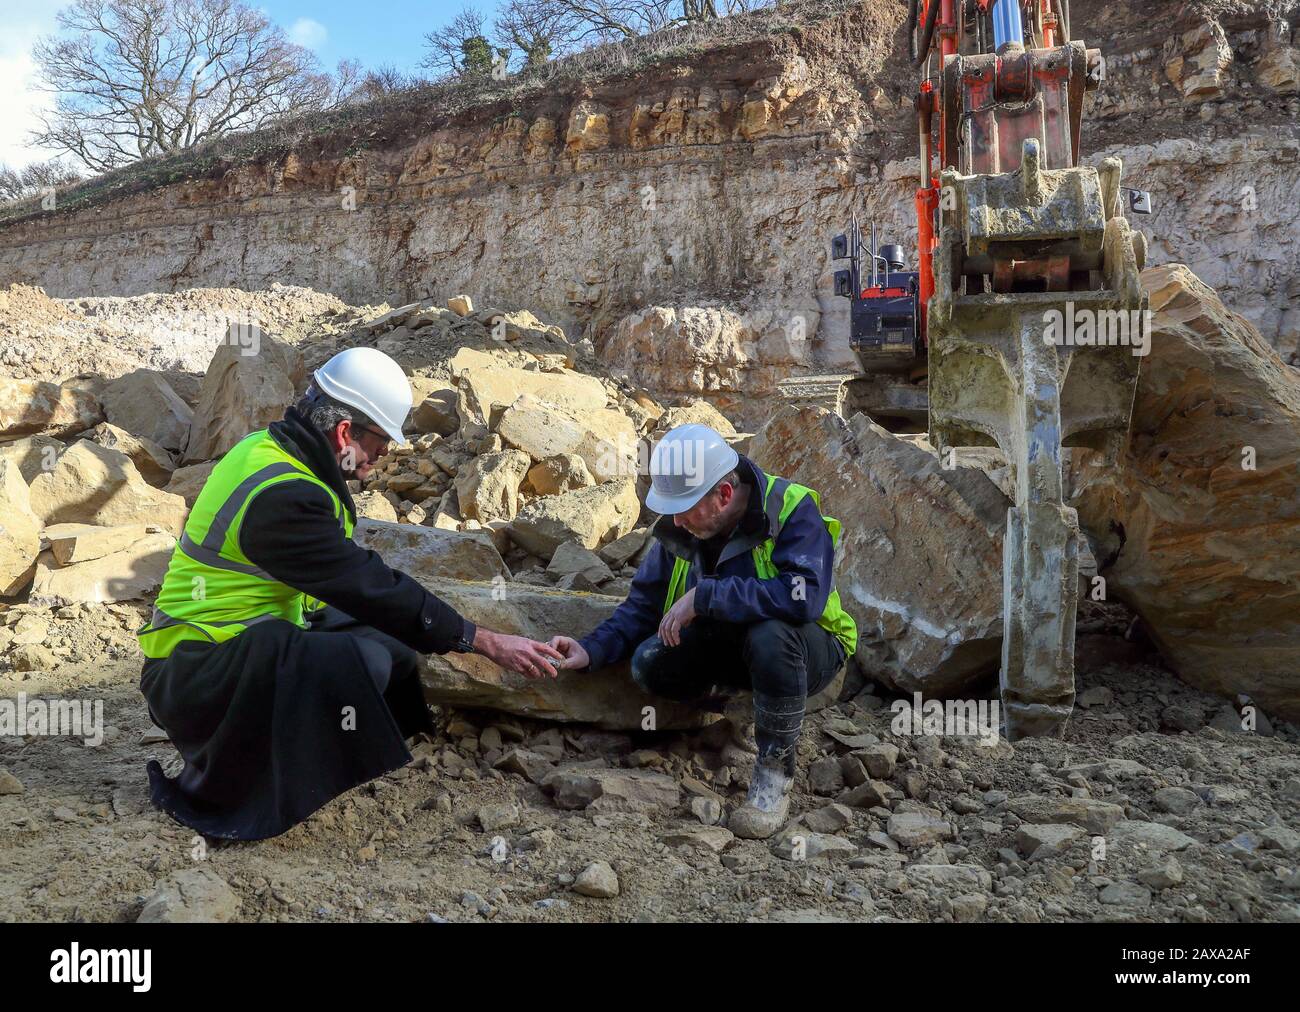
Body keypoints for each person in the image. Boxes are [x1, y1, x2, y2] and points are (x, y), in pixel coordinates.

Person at [137, 346, 562, 840]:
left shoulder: (277, 451)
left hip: (240, 641)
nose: (384, 457)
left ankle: (357, 748)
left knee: (394, 647)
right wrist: (483, 639)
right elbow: (368, 586)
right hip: (192, 669)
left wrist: (442, 631)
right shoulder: (282, 496)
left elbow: (361, 589)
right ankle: (233, 785)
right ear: (345, 434)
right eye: (381, 443)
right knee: (360, 662)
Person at [549, 423, 857, 839]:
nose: (676, 519)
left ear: (724, 495)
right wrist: (591, 650)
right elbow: (643, 606)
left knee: (769, 635)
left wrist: (705, 597)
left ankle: (773, 775)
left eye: (686, 506)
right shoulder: (685, 526)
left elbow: (803, 598)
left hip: (809, 646)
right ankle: (744, 703)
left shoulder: (790, 508)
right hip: (735, 650)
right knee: (649, 662)